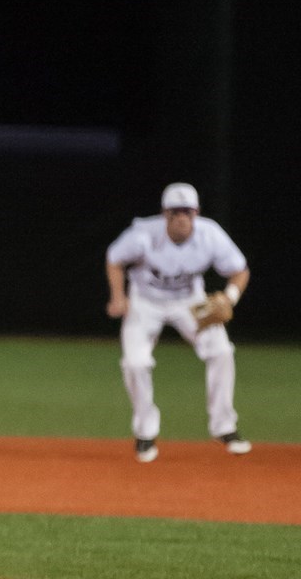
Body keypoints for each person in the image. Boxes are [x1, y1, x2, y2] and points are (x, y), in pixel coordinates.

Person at [105, 182, 252, 463]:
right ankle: (146, 431)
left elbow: (239, 270)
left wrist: (229, 298)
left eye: (187, 211)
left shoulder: (210, 235)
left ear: (196, 213)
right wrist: (118, 296)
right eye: (176, 212)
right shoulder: (143, 235)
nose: (182, 217)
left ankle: (224, 427)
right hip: (146, 302)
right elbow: (114, 259)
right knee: (135, 363)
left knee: (221, 351)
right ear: (165, 214)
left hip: (189, 301)